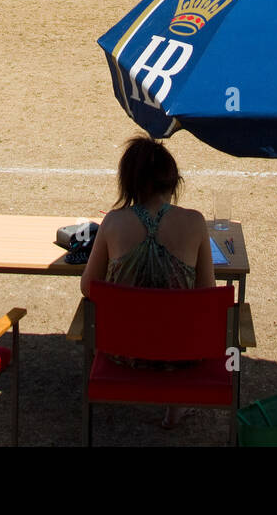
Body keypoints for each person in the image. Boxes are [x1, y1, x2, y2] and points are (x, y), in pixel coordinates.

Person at [80, 136, 216, 427]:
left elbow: (88, 286)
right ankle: (175, 405)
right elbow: (207, 294)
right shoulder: (195, 222)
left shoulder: (113, 223)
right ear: (173, 180)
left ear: (129, 182)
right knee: (175, 317)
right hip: (183, 354)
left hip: (123, 351)